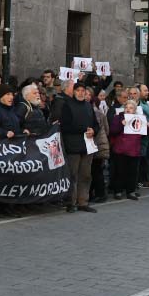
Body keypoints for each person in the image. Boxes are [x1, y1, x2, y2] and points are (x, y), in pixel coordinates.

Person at [56, 81, 98, 214]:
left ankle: (83, 202)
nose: (80, 93)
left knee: (85, 175)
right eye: (78, 90)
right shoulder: (67, 105)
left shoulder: (88, 106)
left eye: (82, 91)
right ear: (73, 92)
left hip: (87, 146)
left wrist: (94, 131)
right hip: (73, 145)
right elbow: (65, 126)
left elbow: (96, 124)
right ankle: (71, 202)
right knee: (72, 175)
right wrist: (84, 129)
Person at [107, 99, 142, 201]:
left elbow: (145, 131)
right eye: (126, 107)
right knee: (119, 172)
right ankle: (118, 191)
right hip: (120, 149)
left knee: (132, 172)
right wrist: (121, 124)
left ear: (135, 110)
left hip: (134, 150)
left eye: (131, 108)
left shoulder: (139, 118)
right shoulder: (118, 117)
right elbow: (112, 131)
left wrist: (148, 126)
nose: (128, 109)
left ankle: (131, 191)